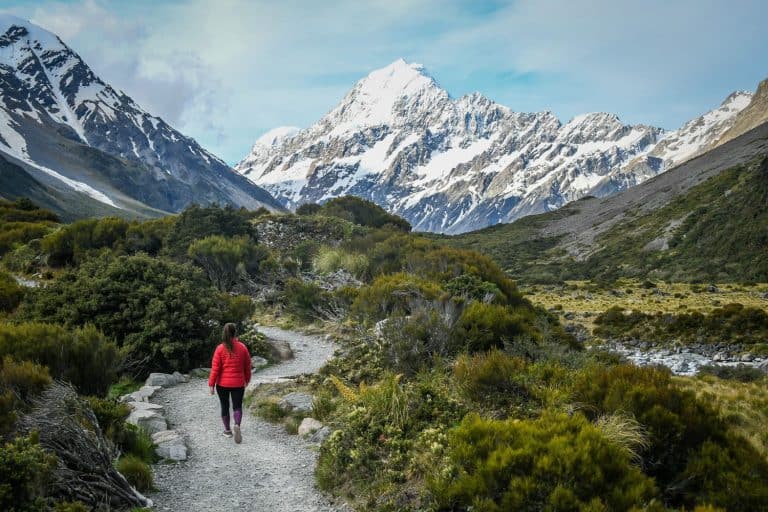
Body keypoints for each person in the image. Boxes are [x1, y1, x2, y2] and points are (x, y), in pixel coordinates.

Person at [208, 323, 252, 443]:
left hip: (222, 384)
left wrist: (211, 384)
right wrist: (247, 380)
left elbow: (215, 368)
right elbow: (247, 366)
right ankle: (237, 424)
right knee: (237, 406)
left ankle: (227, 431)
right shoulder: (242, 347)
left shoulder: (220, 348)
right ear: (235, 333)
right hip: (238, 383)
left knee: (224, 406)